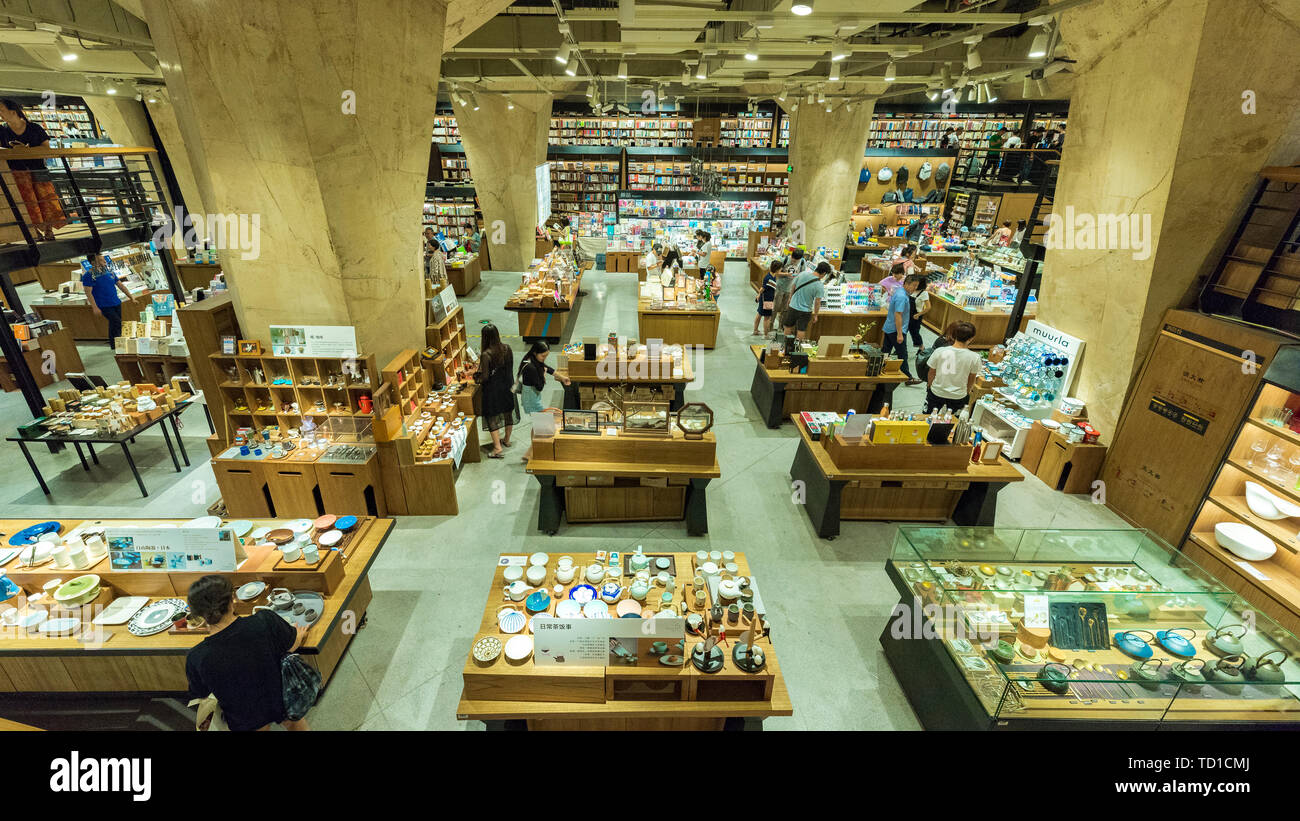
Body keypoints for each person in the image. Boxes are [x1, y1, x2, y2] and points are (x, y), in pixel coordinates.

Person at [185, 575, 310, 732]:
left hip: (243, 715)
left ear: (199, 615)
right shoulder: (264, 621)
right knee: (294, 723)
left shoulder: (196, 657)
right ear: (233, 599)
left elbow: (200, 693)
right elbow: (291, 645)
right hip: (280, 696)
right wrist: (299, 634)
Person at [0, 99, 67, 241]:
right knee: (26, 202)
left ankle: (49, 230)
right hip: (17, 172)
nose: (0, 114)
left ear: (13, 112)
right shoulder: (2, 131)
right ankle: (34, 231)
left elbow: (46, 148)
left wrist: (27, 150)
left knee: (46, 200)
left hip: (38, 169)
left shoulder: (34, 128)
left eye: (2, 110)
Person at [472, 323, 519, 458]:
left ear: (485, 338)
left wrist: (476, 377)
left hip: (493, 391)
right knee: (508, 414)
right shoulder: (507, 348)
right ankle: (507, 440)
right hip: (508, 387)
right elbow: (508, 368)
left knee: (491, 417)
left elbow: (485, 377)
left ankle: (497, 448)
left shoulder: (486, 354)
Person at [925, 321, 982, 413]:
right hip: (958, 395)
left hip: (937, 391)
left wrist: (931, 386)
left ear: (954, 335)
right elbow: (972, 379)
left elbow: (931, 372)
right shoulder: (974, 357)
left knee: (928, 417)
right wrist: (966, 392)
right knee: (953, 422)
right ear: (971, 338)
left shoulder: (940, 351)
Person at [81, 252, 133, 350]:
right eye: (101, 260)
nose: (104, 261)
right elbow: (88, 293)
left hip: (116, 302)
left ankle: (115, 344)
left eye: (104, 259)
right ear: (93, 262)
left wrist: (131, 297)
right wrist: (95, 307)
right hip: (103, 305)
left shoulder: (109, 271)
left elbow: (120, 285)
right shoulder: (88, 276)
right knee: (116, 322)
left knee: (114, 323)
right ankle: (118, 344)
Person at [882, 273, 924, 385]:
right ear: (906, 284)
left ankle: (879, 368)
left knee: (886, 350)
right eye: (914, 285)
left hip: (889, 327)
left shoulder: (900, 292)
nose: (915, 288)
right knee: (902, 354)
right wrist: (900, 334)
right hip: (896, 329)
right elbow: (898, 315)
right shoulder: (901, 296)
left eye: (917, 286)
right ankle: (908, 377)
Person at [518, 341, 569, 415]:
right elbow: (540, 387)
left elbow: (546, 367)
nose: (544, 358)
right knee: (540, 420)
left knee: (538, 420)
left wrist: (562, 377)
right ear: (535, 353)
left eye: (546, 356)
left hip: (532, 394)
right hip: (530, 398)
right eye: (543, 356)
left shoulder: (533, 358)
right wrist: (543, 374)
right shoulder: (530, 367)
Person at [781, 263, 825, 342]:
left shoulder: (803, 274)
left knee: (788, 326)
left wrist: (790, 298)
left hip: (793, 306)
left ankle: (785, 345)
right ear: (824, 273)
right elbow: (817, 302)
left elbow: (793, 286)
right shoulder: (820, 285)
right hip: (806, 310)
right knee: (801, 330)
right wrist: (816, 315)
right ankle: (797, 349)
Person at [771, 247, 805, 337]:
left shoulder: (802, 262)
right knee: (776, 307)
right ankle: (770, 325)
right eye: (793, 259)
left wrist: (797, 277)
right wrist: (786, 274)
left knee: (785, 309)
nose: (794, 261)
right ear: (791, 256)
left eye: (796, 260)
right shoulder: (784, 259)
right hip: (780, 287)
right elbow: (776, 273)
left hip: (790, 289)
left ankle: (780, 326)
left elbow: (802, 274)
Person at [753, 259, 780, 336]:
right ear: (777, 269)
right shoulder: (770, 278)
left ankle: (755, 330)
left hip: (764, 298)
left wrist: (759, 295)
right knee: (767, 317)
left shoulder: (770, 276)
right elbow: (762, 288)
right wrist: (758, 294)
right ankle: (766, 334)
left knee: (760, 313)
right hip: (767, 299)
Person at [909, 277, 931, 350]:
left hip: (916, 316)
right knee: (903, 331)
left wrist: (918, 314)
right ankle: (899, 347)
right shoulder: (912, 290)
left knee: (914, 332)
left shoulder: (924, 293)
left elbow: (928, 307)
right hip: (907, 314)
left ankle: (921, 348)